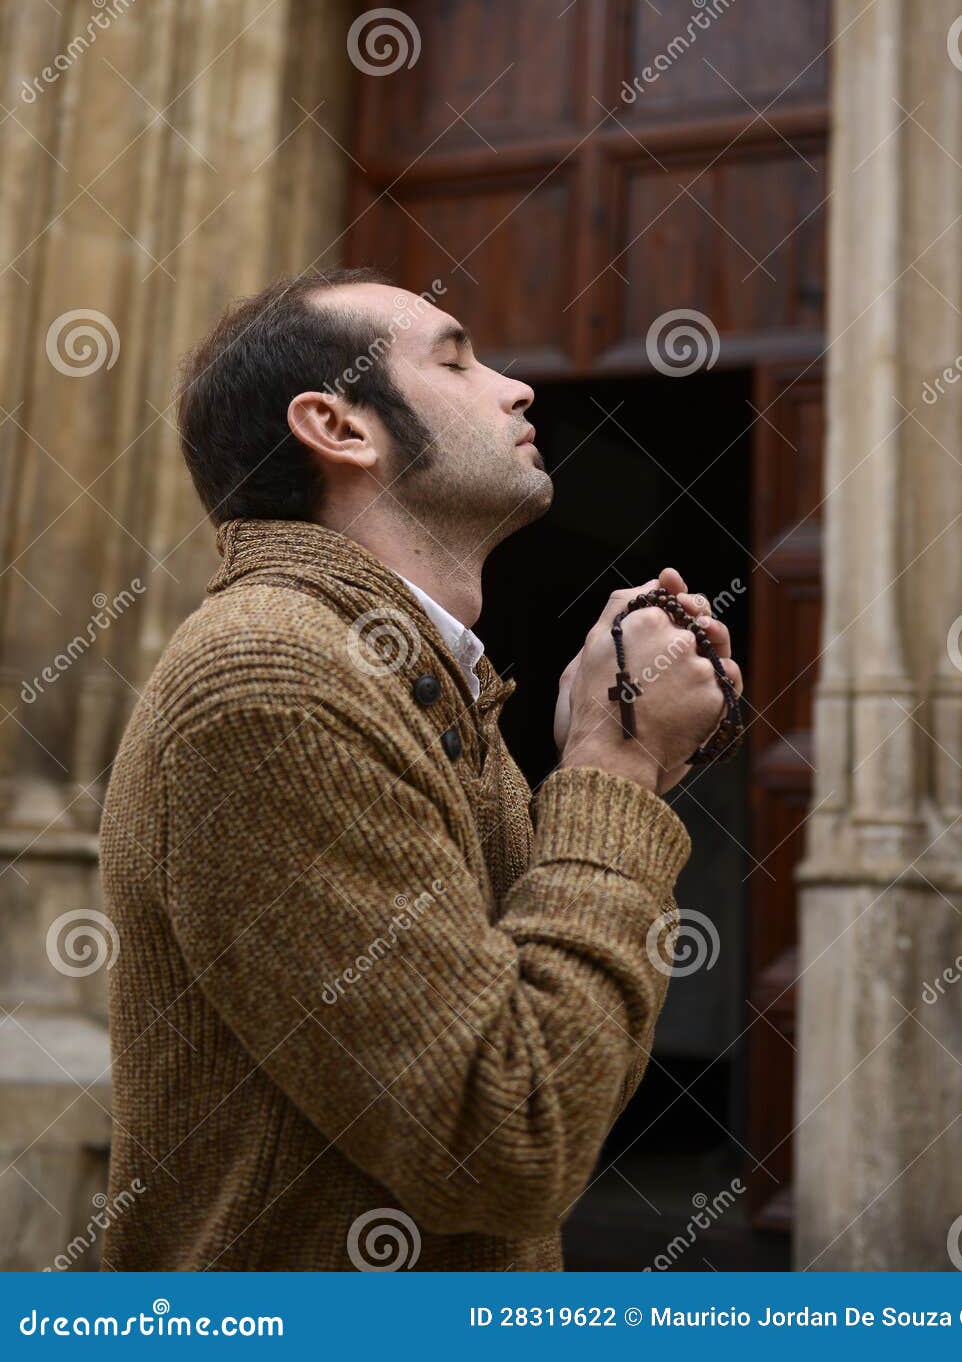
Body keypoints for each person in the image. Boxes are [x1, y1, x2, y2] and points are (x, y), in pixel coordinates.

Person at [99, 266, 743, 1271]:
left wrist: (625, 752)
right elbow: (510, 1137)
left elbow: (558, 1049)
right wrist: (612, 764)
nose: (516, 387)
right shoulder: (271, 678)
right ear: (340, 425)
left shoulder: (415, 673)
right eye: (457, 359)